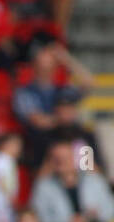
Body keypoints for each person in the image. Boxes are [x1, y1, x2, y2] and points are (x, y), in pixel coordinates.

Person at [12, 42, 95, 172]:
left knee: (87, 139)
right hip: (45, 138)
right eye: (42, 65)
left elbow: (89, 83)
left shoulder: (63, 88)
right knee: (51, 146)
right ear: (34, 67)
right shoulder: (25, 92)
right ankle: (48, 181)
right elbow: (37, 121)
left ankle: (87, 178)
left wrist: (66, 59)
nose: (46, 69)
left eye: (50, 65)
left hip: (68, 134)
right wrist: (62, 118)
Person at [29, 140, 114, 222]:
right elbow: (38, 218)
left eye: (66, 157)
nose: (62, 162)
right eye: (57, 158)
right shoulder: (43, 186)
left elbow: (112, 209)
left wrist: (93, 217)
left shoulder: (94, 180)